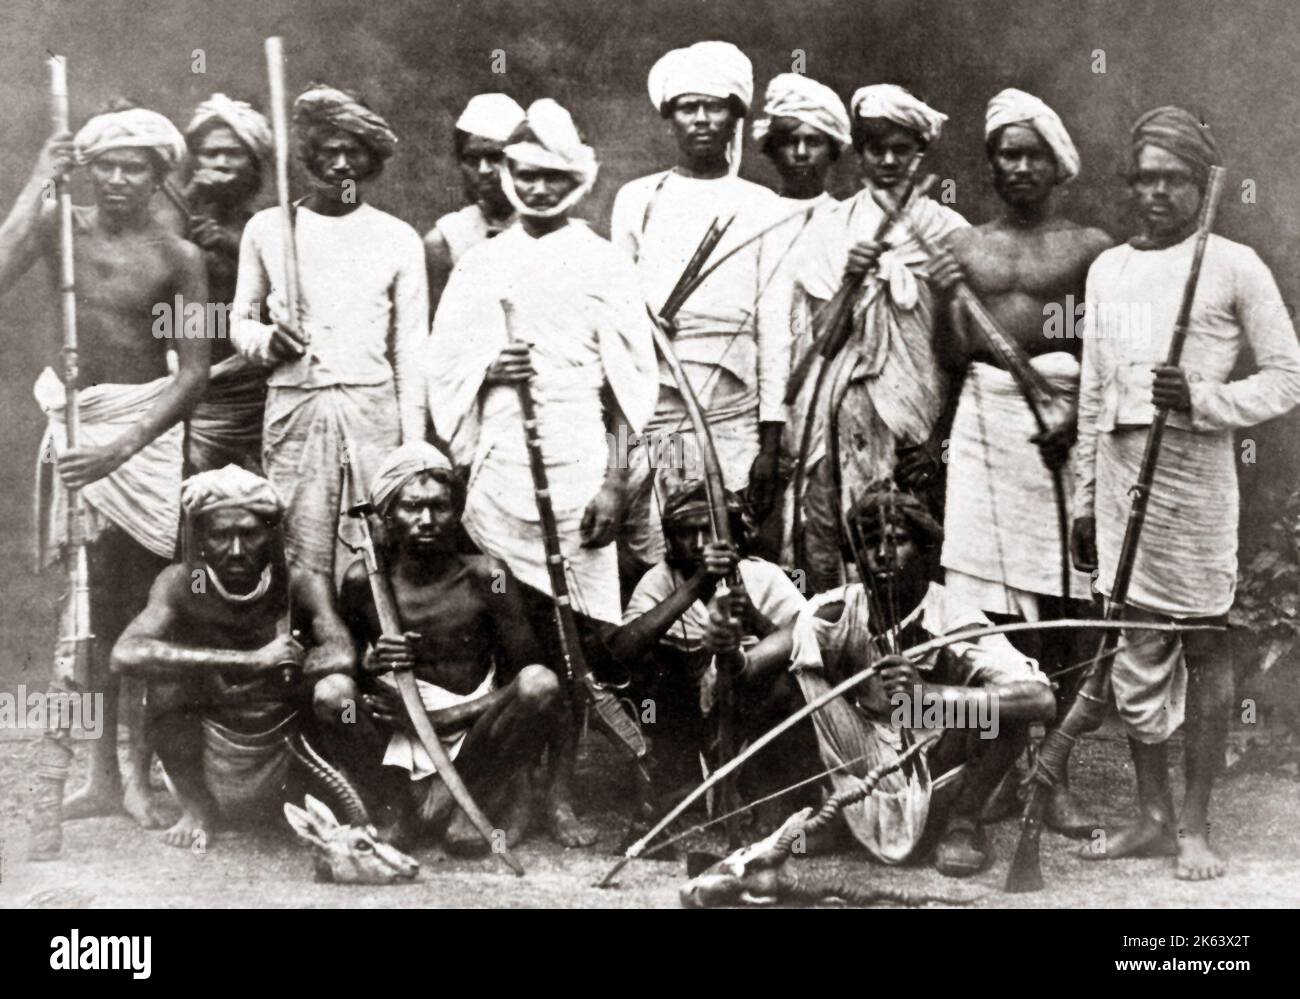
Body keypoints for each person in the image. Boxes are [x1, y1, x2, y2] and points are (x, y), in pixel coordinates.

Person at [1073, 106, 1300, 879]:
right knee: (1136, 647)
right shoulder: (1108, 270)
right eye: (1145, 177)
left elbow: (1287, 377)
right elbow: (1091, 395)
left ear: (1201, 185)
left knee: (1202, 643)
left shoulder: (1233, 264)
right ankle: (1152, 815)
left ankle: (1197, 823)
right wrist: (1081, 497)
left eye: (1174, 178)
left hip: (1197, 477)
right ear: (1130, 184)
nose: (1157, 192)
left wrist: (1203, 396)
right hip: (1118, 477)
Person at [428, 99, 658, 835]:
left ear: (578, 181)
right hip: (502, 476)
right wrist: (492, 367)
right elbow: (445, 370)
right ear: (506, 171)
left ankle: (561, 791)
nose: (536, 187)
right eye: (522, 172)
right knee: (513, 636)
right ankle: (515, 792)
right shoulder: (480, 265)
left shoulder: (604, 262)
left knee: (576, 640)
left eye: (554, 176)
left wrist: (615, 483)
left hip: (578, 464)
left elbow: (629, 387)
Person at [0, 101, 210, 826]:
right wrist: (36, 180)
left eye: (136, 166)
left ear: (158, 176)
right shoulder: (61, 232)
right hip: (77, 428)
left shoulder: (181, 259)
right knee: (85, 613)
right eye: (108, 165)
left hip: (142, 442)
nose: (119, 178)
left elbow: (193, 373)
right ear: (88, 169)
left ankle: (138, 774)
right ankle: (95, 774)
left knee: (140, 612)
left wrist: (123, 445)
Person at [707, 487, 1056, 876]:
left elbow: (1041, 699)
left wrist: (929, 696)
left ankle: (962, 821)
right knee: (786, 688)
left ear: (924, 551)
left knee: (1005, 714)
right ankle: (826, 816)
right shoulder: (835, 610)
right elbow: (751, 667)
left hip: (937, 755)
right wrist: (727, 650)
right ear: (857, 557)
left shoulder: (954, 618)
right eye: (870, 544)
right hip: (864, 749)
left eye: (898, 541)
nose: (883, 555)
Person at [933, 89, 1113, 833]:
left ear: (1056, 163)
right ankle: (993, 769)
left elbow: (1108, 352)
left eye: (1032, 153)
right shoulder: (964, 247)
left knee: (1068, 599)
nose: (1019, 166)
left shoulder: (1090, 247)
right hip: (983, 422)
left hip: (1062, 421)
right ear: (990, 163)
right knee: (988, 603)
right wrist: (947, 306)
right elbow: (949, 360)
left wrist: (1078, 415)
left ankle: (1054, 773)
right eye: (1007, 153)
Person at [319, 443, 576, 849]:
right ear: (387, 514)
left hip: (476, 736)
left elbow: (530, 677)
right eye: (412, 507)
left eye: (439, 507)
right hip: (396, 735)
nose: (426, 520)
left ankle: (473, 798)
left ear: (456, 512)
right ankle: (393, 803)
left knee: (539, 685)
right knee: (334, 697)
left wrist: (448, 718)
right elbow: (346, 669)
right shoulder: (362, 582)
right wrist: (370, 663)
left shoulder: (487, 577)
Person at [231, 84, 428, 581]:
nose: (340, 164)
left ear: (371, 160)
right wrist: (265, 342)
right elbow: (240, 321)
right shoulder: (268, 228)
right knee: (300, 536)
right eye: (328, 152)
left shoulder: (397, 239)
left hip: (372, 411)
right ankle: (312, 645)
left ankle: (376, 646)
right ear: (309, 159)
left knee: (377, 539)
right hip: (296, 405)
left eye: (352, 152)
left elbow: (410, 351)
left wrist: (413, 447)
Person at [110, 466, 353, 849]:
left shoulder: (300, 580)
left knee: (341, 695)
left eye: (250, 533)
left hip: (287, 745)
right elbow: (126, 652)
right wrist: (251, 662)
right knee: (164, 683)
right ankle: (196, 807)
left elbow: (343, 652)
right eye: (222, 535)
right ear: (202, 536)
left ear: (271, 534)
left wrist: (292, 666)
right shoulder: (186, 582)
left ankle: (347, 800)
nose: (237, 549)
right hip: (207, 750)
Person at [611, 41, 783, 573]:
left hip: (733, 409)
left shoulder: (761, 206)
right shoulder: (638, 198)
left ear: (735, 114)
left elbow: (775, 327)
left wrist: (770, 441)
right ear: (670, 117)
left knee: (731, 534)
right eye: (689, 107)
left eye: (716, 106)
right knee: (667, 536)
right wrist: (639, 321)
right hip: (659, 395)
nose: (703, 119)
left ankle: (736, 652)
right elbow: (615, 309)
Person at [789, 84, 967, 593]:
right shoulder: (833, 227)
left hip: (921, 416)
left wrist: (938, 443)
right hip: (848, 410)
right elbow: (825, 340)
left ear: (920, 152)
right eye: (875, 148)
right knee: (849, 540)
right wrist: (851, 279)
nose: (888, 160)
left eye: (902, 150)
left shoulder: (950, 231)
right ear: (859, 153)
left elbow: (963, 353)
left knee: (917, 536)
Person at [611, 479, 807, 795]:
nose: (700, 543)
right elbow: (622, 652)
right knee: (658, 669)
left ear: (731, 535)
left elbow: (807, 639)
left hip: (751, 705)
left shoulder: (762, 574)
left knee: (788, 682)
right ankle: (684, 772)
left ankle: (761, 779)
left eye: (710, 531)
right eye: (686, 533)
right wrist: (696, 585)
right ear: (671, 539)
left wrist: (754, 619)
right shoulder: (659, 580)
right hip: (685, 711)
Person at [747, 72, 851, 563]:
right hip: (760, 399)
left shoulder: (851, 220)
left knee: (832, 522)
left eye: (815, 141)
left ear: (833, 150)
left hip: (836, 398)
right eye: (790, 142)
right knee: (767, 529)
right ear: (771, 149)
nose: (803, 153)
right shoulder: (753, 219)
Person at [166, 94, 275, 475]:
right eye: (210, 154)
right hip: (188, 386)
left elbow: (289, 290)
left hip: (253, 386)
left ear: (254, 162)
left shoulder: (269, 224)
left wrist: (229, 244)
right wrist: (192, 195)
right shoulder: (172, 218)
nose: (221, 163)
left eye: (233, 153)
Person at [423, 93, 525, 309]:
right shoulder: (445, 241)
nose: (483, 170)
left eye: (495, 157)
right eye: (471, 159)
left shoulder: (548, 229)